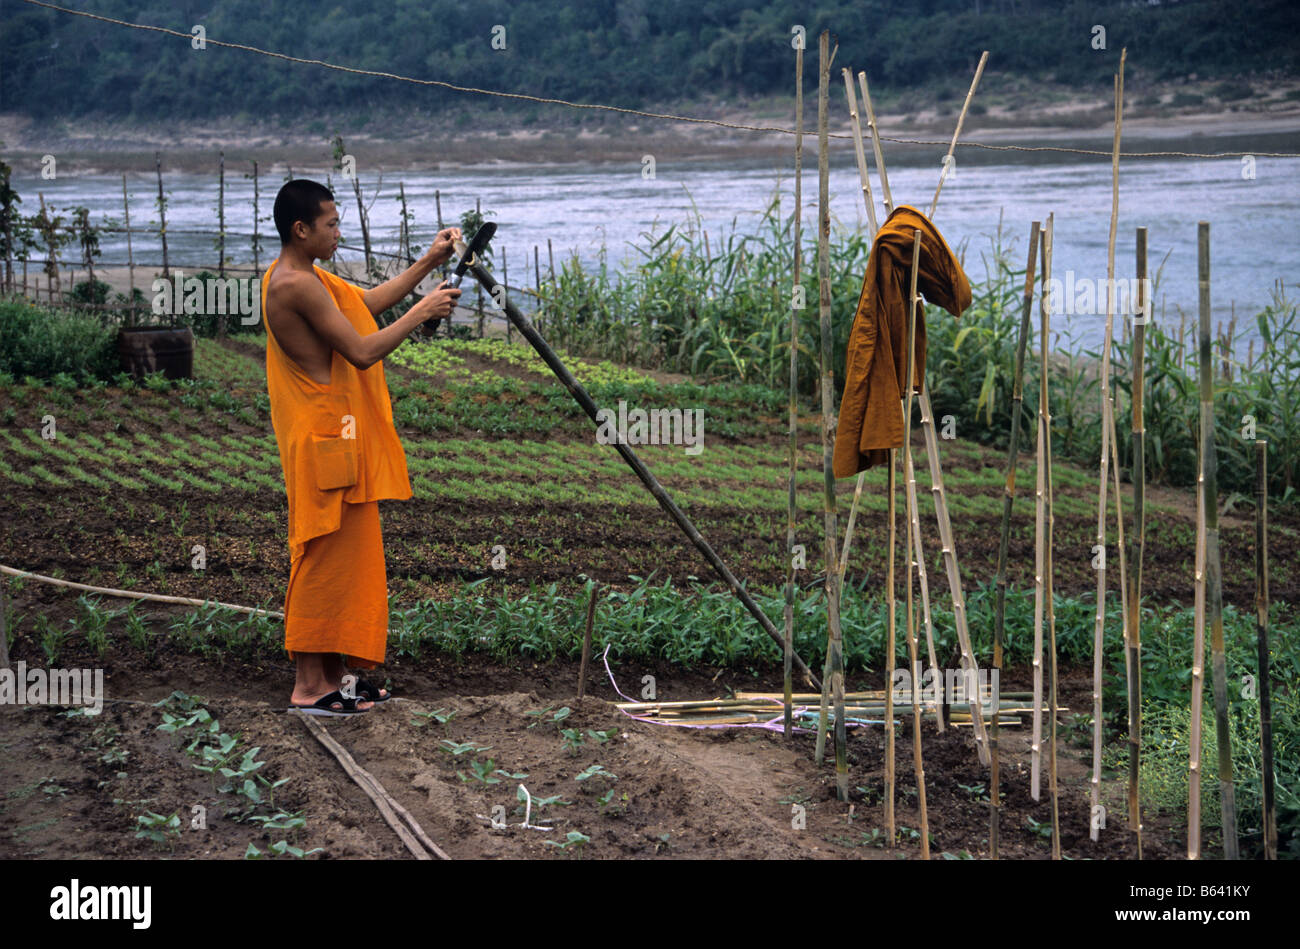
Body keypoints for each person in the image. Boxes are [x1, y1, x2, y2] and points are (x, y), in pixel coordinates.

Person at [262, 178, 461, 715]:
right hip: (323, 439)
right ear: (301, 230)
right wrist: (423, 313)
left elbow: (364, 304)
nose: (338, 233)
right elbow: (361, 351)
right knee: (322, 552)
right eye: (330, 224)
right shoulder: (291, 284)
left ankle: (333, 677)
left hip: (336, 437)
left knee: (347, 557)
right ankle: (309, 686)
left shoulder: (309, 275)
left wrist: (428, 261)